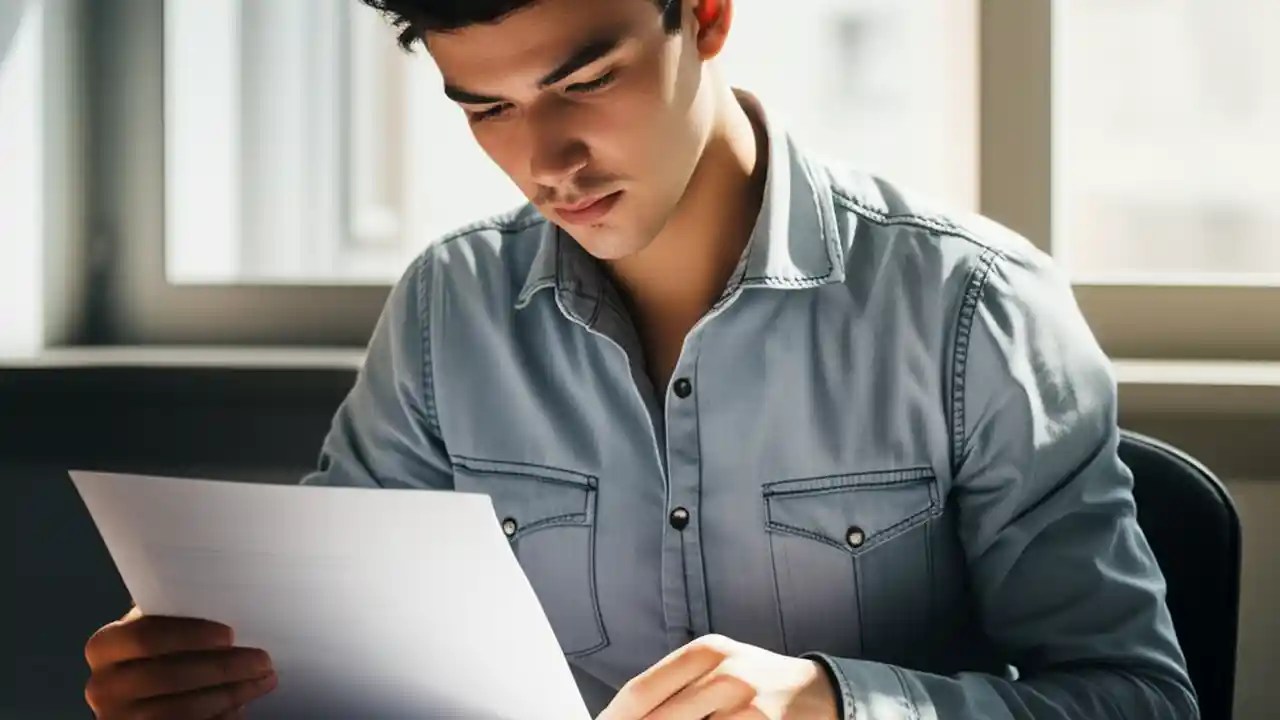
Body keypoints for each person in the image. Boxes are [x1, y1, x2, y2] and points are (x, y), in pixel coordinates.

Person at [82, 0, 1198, 718]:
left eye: (581, 85)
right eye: (486, 108)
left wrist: (834, 706)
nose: (544, 161)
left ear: (705, 15)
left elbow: (1135, 701)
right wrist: (218, 678)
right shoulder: (446, 308)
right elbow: (339, 668)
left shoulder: (971, 307)